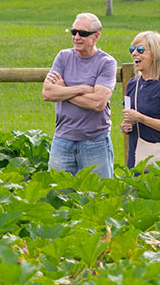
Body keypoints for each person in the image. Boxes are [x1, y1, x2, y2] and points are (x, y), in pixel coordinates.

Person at [42, 13, 117, 178]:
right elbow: (47, 93)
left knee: (98, 191)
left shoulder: (106, 63)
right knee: (58, 190)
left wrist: (64, 91)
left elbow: (98, 103)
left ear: (96, 36)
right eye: (73, 32)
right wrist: (82, 89)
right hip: (62, 140)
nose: (76, 37)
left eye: (82, 33)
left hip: (95, 142)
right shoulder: (63, 57)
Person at [120, 31, 160, 168]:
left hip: (159, 159)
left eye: (140, 50)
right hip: (135, 160)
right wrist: (125, 127)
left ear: (155, 54)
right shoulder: (132, 84)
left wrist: (141, 118)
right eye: (132, 49)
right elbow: (129, 119)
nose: (134, 53)